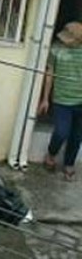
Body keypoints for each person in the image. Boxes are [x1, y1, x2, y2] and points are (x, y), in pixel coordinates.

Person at [39, 21, 82, 181]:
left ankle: (69, 164)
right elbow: (49, 74)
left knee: (77, 136)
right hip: (62, 100)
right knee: (61, 132)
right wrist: (45, 99)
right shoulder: (55, 49)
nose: (64, 41)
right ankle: (51, 155)